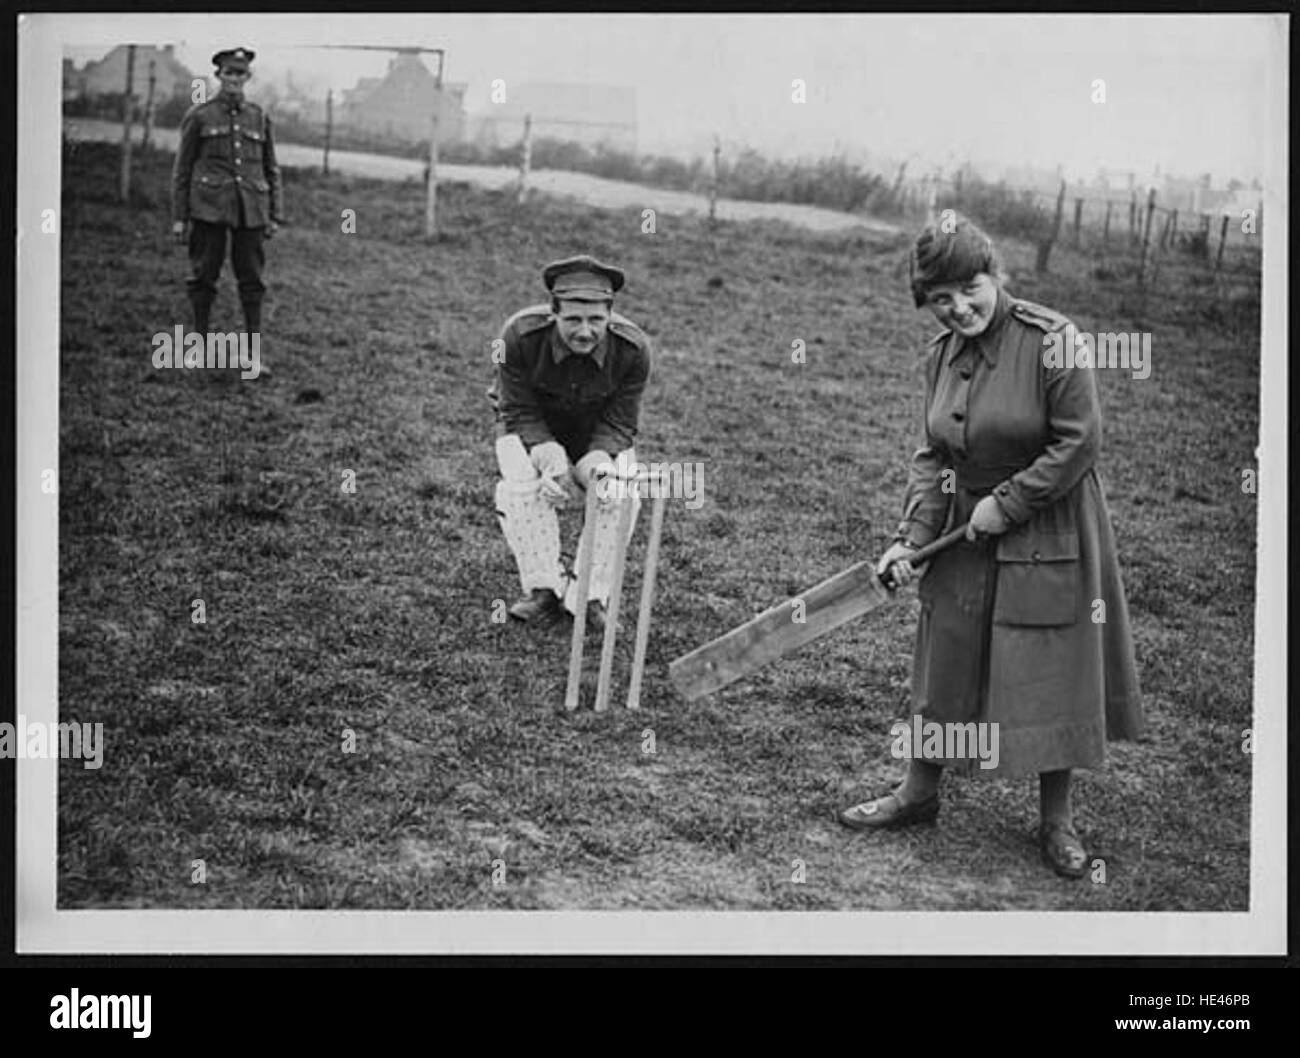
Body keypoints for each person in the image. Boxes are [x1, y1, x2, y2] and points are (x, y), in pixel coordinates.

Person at [838, 215, 1144, 879]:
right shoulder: (940, 357)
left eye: (968, 288)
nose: (958, 307)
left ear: (995, 274)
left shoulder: (1053, 339)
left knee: (1051, 669)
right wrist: (909, 539)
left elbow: (1079, 443)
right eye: (941, 299)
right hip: (961, 526)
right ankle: (918, 793)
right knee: (943, 660)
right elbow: (932, 456)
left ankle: (1056, 822)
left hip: (1050, 526)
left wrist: (1006, 505)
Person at [489, 255, 653, 627]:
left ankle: (589, 596)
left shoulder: (634, 350)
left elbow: (619, 424)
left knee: (620, 493)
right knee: (522, 485)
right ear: (553, 313)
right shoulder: (518, 336)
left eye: (596, 320)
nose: (584, 331)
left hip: (596, 434)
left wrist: (596, 470)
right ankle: (542, 591)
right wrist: (551, 462)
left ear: (610, 316)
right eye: (573, 320)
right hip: (531, 428)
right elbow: (518, 411)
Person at [171, 47, 283, 342]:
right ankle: (200, 346)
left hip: (251, 209)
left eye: (240, 73)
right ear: (219, 75)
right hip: (209, 208)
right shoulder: (200, 116)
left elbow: (271, 168)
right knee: (203, 278)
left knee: (253, 282)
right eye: (229, 73)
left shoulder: (259, 117)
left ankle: (253, 353)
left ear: (248, 77)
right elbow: (182, 171)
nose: (234, 78)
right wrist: (180, 217)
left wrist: (275, 213)